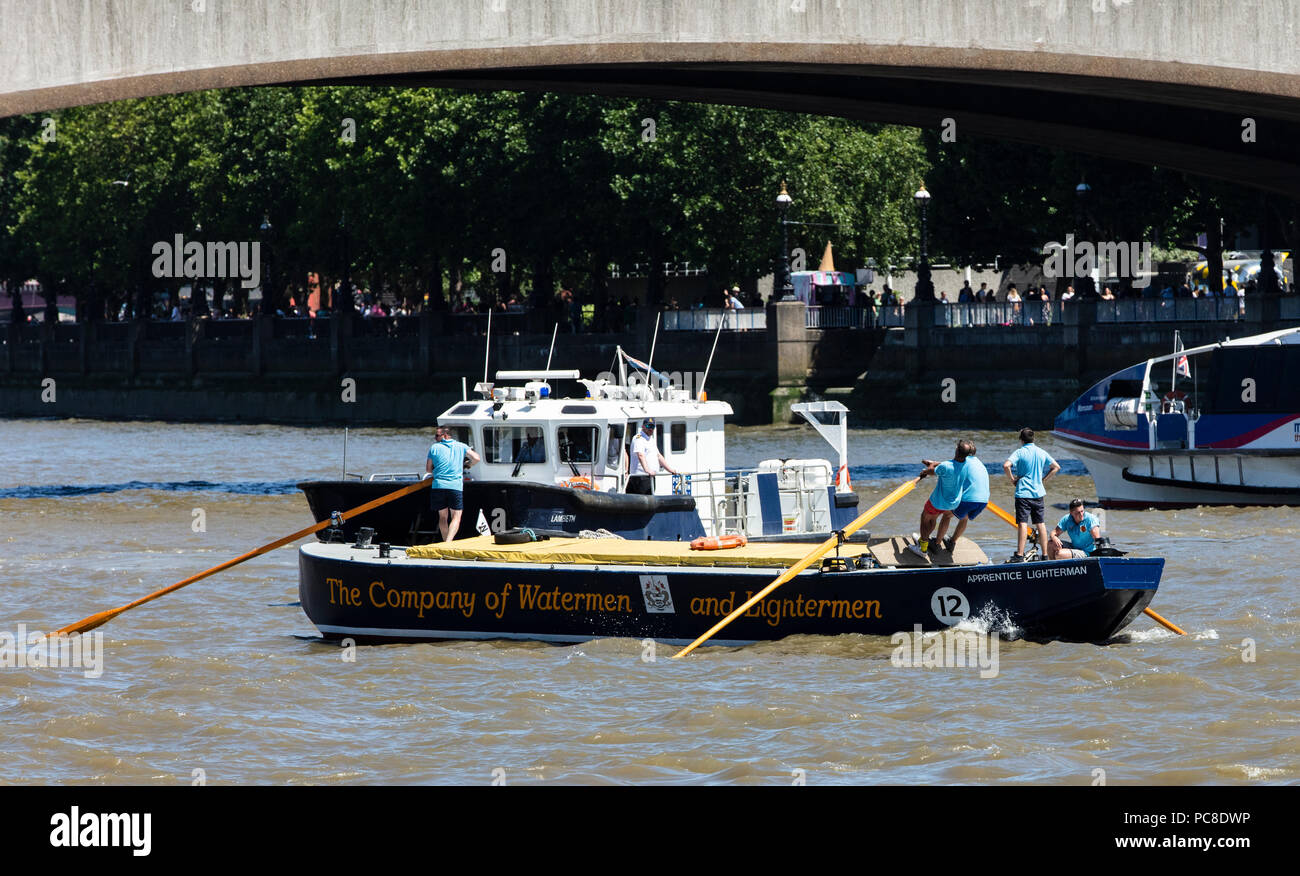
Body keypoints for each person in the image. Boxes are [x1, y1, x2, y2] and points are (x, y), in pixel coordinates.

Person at [906, 440, 972, 560]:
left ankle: (923, 548)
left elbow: (931, 471)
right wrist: (934, 463)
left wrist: (926, 469)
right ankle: (923, 540)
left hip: (938, 502)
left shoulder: (946, 466)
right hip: (953, 504)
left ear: (956, 450)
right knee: (934, 518)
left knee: (925, 519)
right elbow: (950, 465)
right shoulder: (967, 465)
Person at [1003, 427, 1060, 562]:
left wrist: (1012, 480)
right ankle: (1045, 555)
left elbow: (1006, 465)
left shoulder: (1020, 452)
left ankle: (1020, 554)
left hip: (1023, 493)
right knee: (1040, 523)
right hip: (1038, 492)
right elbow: (1056, 467)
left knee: (1022, 523)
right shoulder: (1041, 452)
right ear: (1033, 439)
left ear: (1021, 440)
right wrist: (1043, 480)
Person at [425, 425, 481, 542]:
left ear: (445, 435)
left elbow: (428, 470)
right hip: (455, 486)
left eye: (437, 435)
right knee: (456, 516)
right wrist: (467, 465)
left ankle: (446, 542)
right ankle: (448, 543)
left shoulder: (434, 448)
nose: (435, 438)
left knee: (442, 517)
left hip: (438, 486)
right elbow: (476, 458)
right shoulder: (461, 446)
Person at [932, 439, 989, 551]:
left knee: (947, 514)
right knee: (964, 518)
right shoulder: (979, 463)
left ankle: (937, 543)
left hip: (969, 498)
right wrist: (936, 462)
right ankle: (952, 543)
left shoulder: (963, 462)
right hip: (983, 500)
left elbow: (951, 468)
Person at [626, 418, 678, 495]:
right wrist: (647, 470)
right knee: (642, 502)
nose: (651, 429)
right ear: (643, 426)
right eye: (648, 426)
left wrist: (670, 470)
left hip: (649, 477)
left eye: (652, 427)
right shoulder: (639, 438)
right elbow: (640, 455)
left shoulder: (651, 439)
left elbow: (658, 456)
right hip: (641, 477)